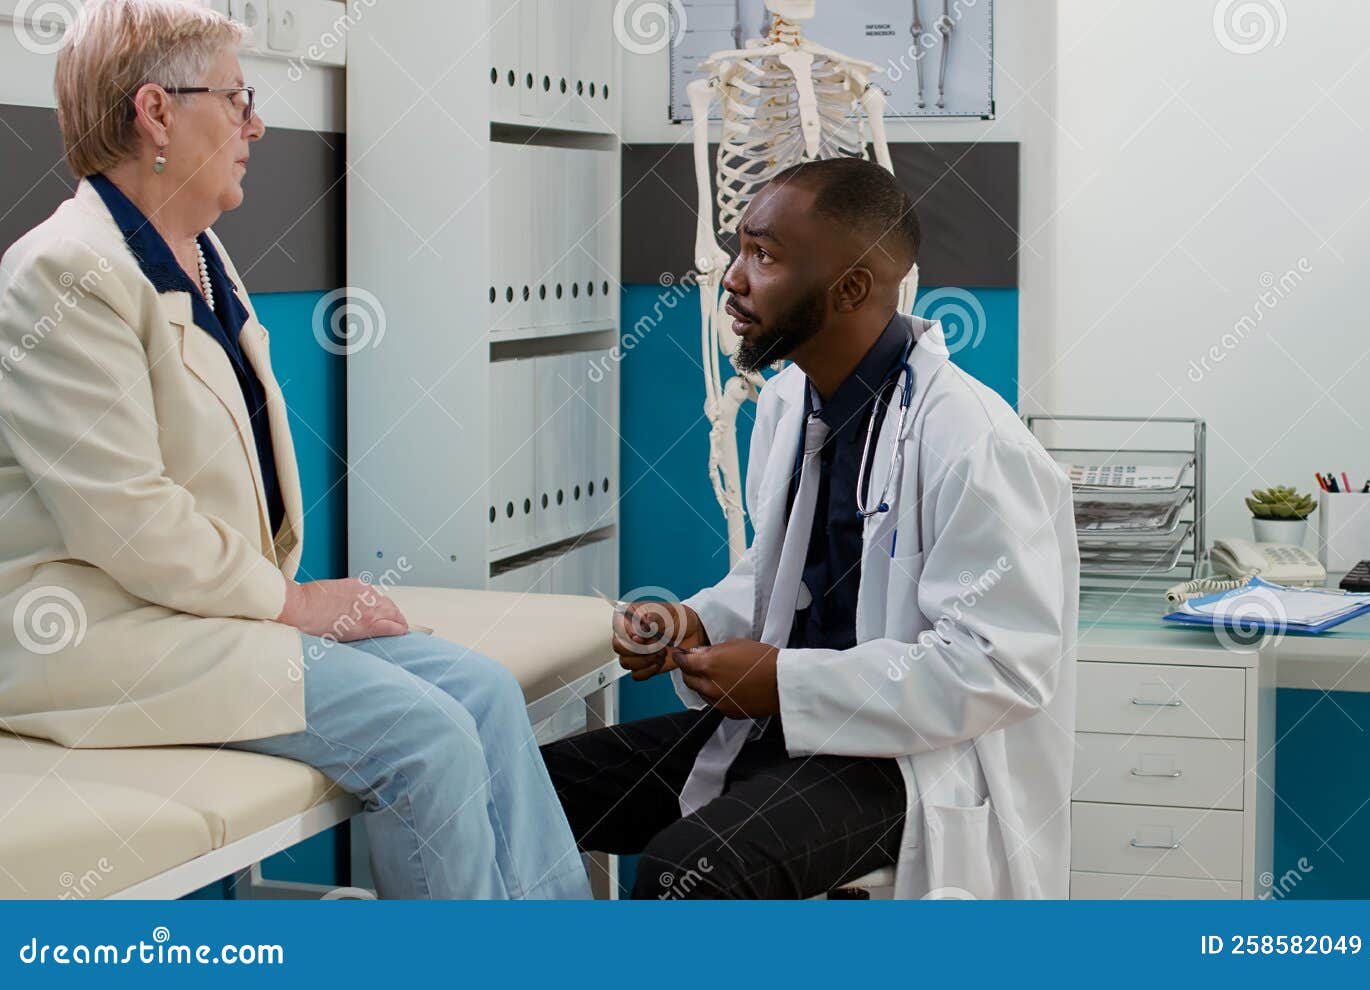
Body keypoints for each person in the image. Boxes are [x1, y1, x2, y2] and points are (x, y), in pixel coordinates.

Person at [0, 0, 586, 900]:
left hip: (198, 619)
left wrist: (289, 606)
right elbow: (128, 523)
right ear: (155, 112)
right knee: (423, 735)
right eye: (236, 100)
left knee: (483, 693)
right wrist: (298, 602)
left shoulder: (199, 255)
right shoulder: (65, 274)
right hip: (101, 640)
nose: (255, 124)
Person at [542, 157, 1079, 899]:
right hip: (791, 724)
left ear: (851, 286)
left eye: (763, 255)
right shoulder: (794, 401)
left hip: (905, 759)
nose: (732, 278)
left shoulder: (973, 442)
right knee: (530, 785)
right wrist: (694, 619)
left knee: (687, 872)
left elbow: (998, 668)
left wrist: (783, 681)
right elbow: (776, 575)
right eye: (738, 249)